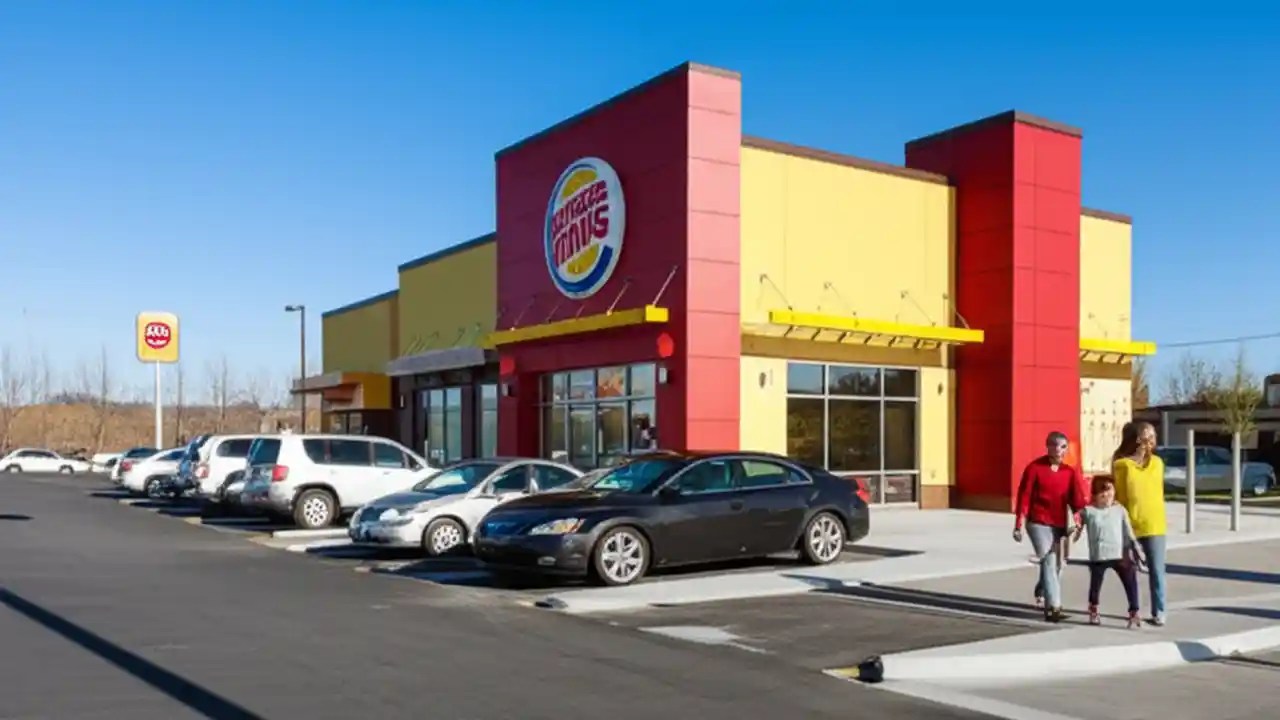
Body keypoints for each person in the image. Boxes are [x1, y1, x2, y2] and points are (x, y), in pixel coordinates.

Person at [1014, 431, 1088, 622]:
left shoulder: (1069, 473)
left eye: (1063, 446)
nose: (1058, 449)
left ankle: (1042, 587)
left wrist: (1080, 519)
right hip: (1037, 522)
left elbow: (1076, 500)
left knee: (1059, 565)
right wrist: (1019, 524)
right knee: (1048, 559)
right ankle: (1053, 607)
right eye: (1054, 445)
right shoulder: (1034, 468)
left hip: (1059, 524)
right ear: (1047, 446)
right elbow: (1024, 496)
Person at [1112, 421, 1168, 626]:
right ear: (1135, 439)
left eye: (1153, 437)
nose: (1150, 441)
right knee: (1129, 569)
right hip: (1129, 524)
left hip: (1154, 523)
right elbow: (1119, 495)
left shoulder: (1158, 463)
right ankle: (1134, 609)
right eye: (1146, 436)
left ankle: (1159, 612)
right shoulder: (1122, 465)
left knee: (1157, 569)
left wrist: (1146, 456)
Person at [1074, 475, 1144, 628]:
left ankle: (1134, 611)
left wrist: (1137, 549)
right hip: (1099, 554)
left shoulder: (1119, 510)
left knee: (1130, 580)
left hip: (1119, 553)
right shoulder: (1089, 511)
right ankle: (1093, 608)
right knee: (1096, 584)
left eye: (1110, 490)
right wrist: (1074, 530)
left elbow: (1129, 532)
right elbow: (1076, 523)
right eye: (1102, 492)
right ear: (1095, 495)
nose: (1107, 495)